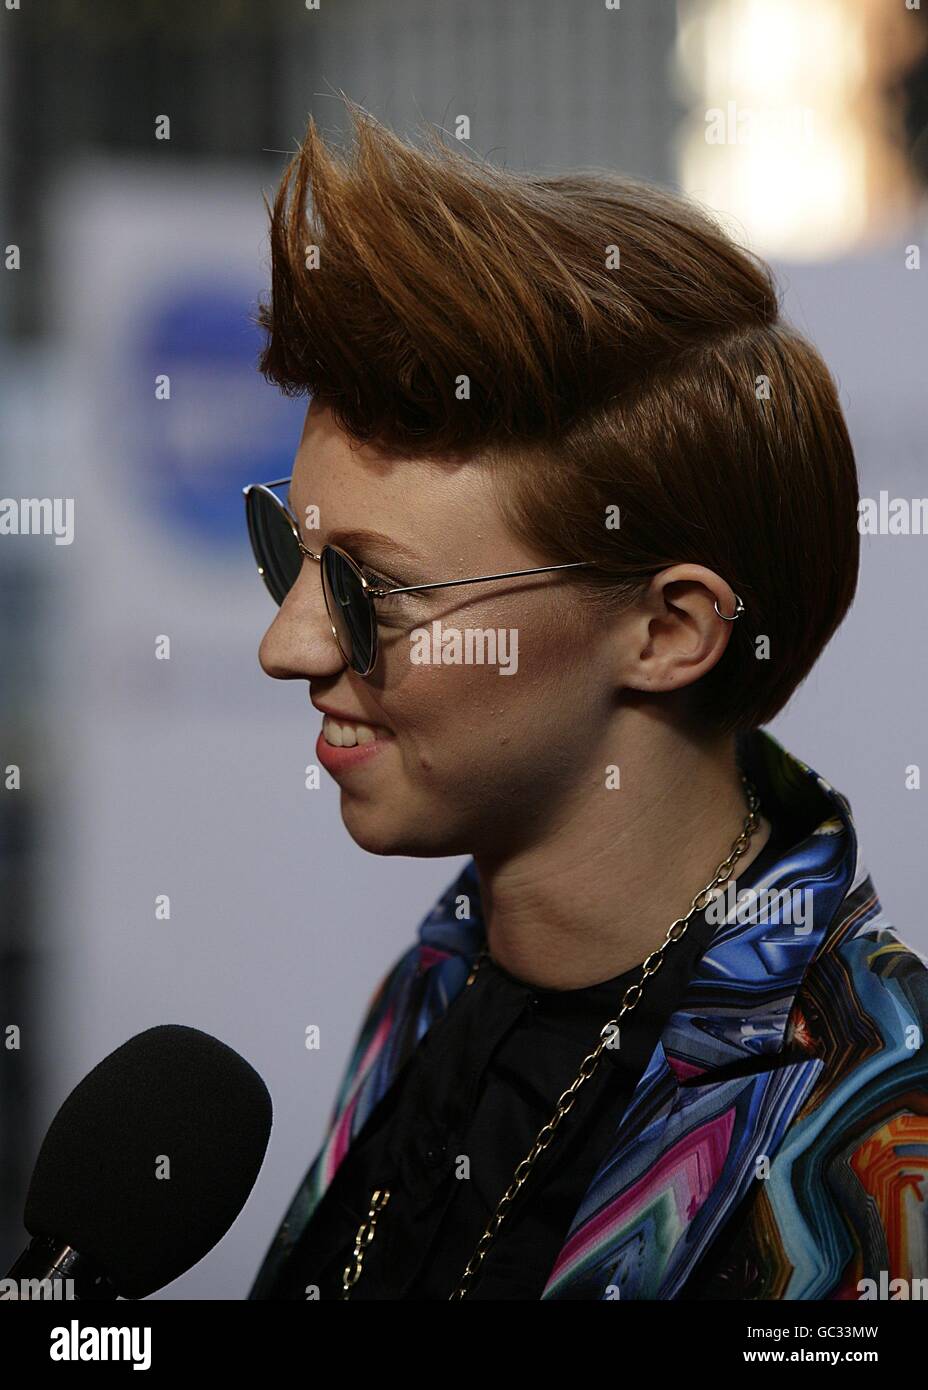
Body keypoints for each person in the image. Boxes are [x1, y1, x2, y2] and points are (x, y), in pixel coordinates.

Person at [243, 98, 928, 1300]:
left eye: (370, 589)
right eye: (286, 557)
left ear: (669, 630)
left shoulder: (874, 1122)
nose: (287, 642)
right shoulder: (434, 991)